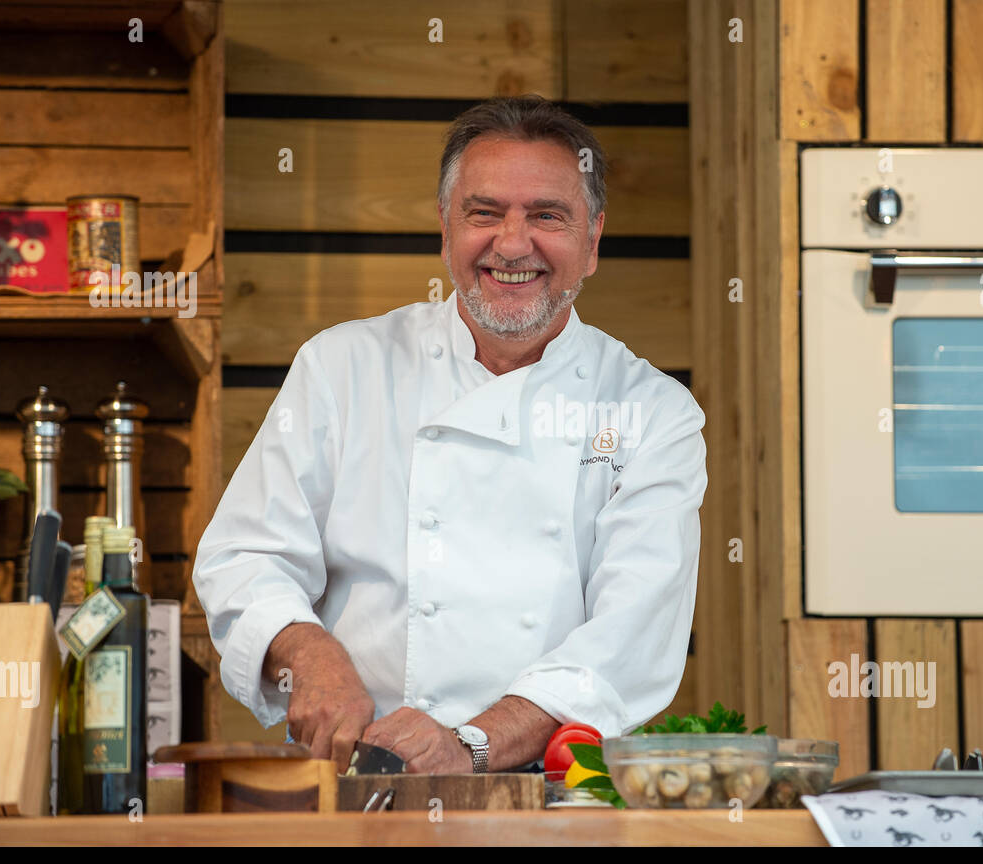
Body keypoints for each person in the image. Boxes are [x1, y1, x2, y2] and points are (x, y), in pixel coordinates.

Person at [192, 94, 707, 774]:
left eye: (547, 216)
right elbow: (244, 556)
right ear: (445, 229)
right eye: (484, 213)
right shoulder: (344, 367)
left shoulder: (651, 412)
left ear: (593, 240)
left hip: (546, 802)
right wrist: (308, 652)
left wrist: (471, 744)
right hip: (359, 781)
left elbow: (631, 637)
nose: (513, 244)